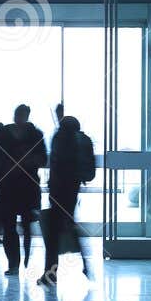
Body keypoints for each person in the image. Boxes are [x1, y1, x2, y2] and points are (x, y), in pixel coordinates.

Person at [0, 104, 45, 276]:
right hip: (19, 186)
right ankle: (17, 262)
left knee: (15, 226)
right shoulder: (34, 135)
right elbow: (43, 158)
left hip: (11, 186)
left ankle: (17, 262)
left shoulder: (4, 135)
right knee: (16, 226)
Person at [40, 114, 94, 285]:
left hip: (58, 191)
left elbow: (55, 162)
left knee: (53, 233)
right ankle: (85, 264)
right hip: (73, 189)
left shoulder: (60, 138)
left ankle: (50, 273)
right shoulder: (82, 140)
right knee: (69, 226)